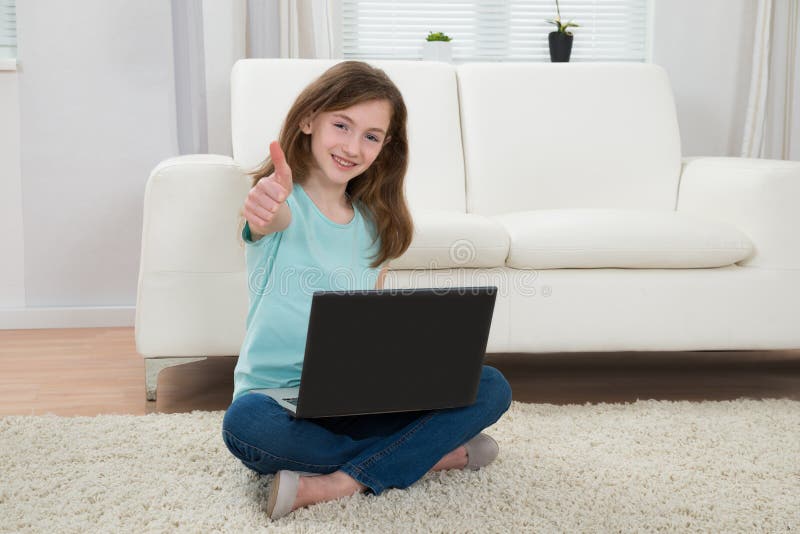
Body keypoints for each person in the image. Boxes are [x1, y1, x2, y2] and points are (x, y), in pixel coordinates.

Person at [221, 61, 513, 520]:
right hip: (276, 402)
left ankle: (341, 480)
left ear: (385, 147)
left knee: (492, 386)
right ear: (309, 119)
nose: (353, 147)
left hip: (353, 401)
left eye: (372, 136)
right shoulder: (280, 202)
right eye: (342, 125)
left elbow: (369, 332)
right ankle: (430, 455)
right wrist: (264, 206)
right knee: (244, 427)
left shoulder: (375, 227)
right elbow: (265, 219)